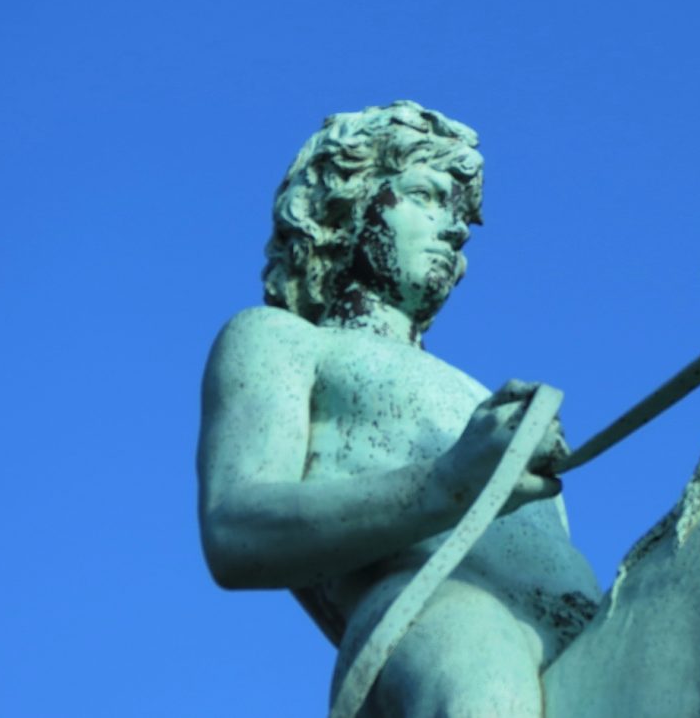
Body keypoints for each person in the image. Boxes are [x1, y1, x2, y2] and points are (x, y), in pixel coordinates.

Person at [197, 101, 599, 717]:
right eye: (427, 196)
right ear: (348, 205)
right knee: (481, 673)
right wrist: (448, 483)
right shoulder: (279, 340)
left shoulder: (478, 398)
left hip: (579, 639)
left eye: (461, 215)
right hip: (435, 619)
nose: (455, 228)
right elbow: (235, 528)